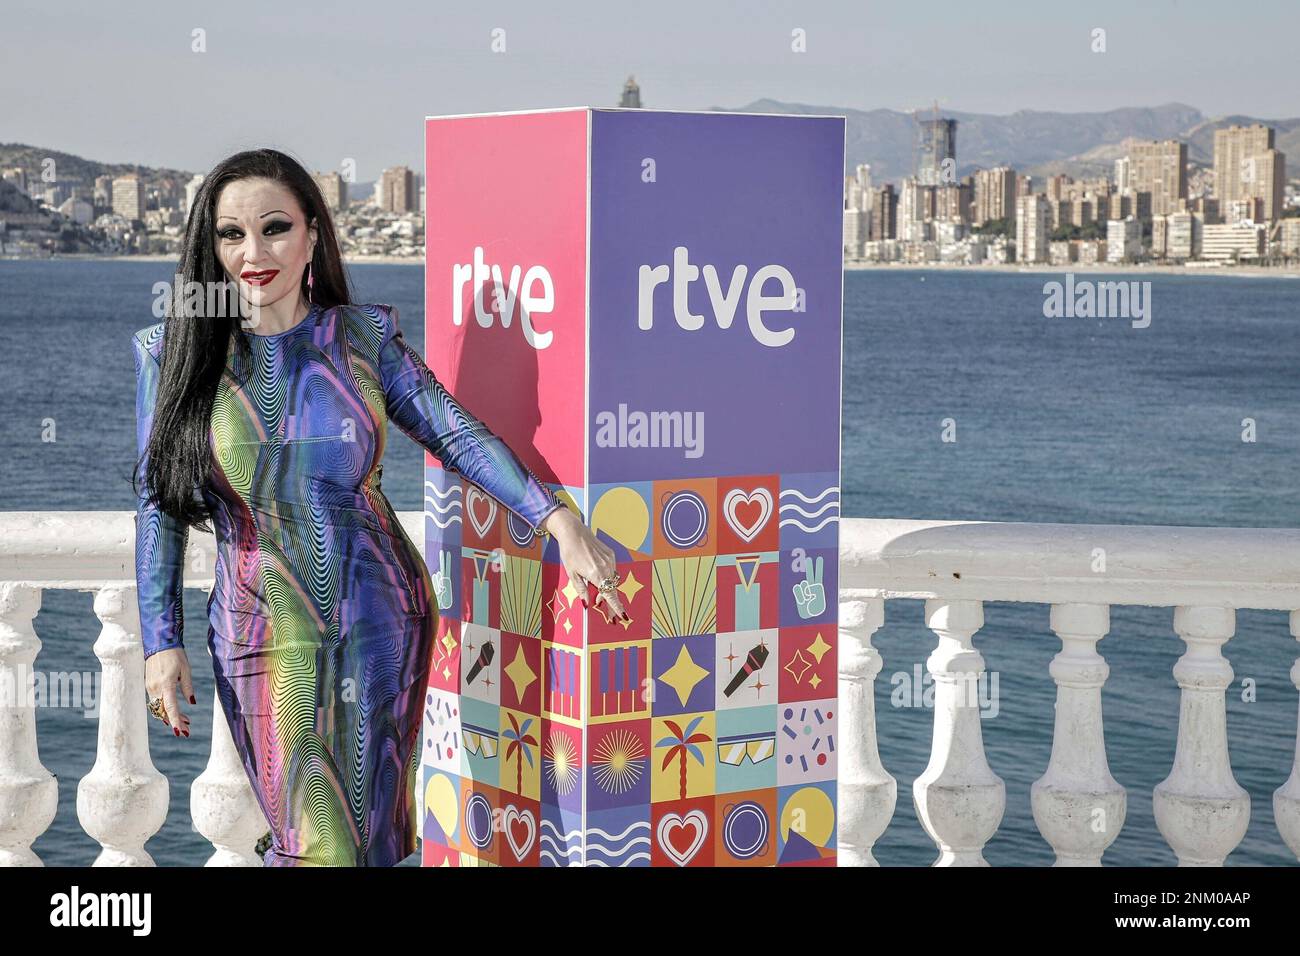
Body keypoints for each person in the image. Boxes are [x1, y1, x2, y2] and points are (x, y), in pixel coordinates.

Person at [132, 147, 627, 866]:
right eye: (230, 235)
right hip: (258, 628)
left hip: (381, 618)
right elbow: (157, 504)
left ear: (312, 236)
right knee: (317, 842)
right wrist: (159, 638)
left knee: (375, 843)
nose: (253, 252)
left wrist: (558, 519)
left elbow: (456, 432)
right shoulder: (171, 352)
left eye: (274, 227)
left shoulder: (363, 338)